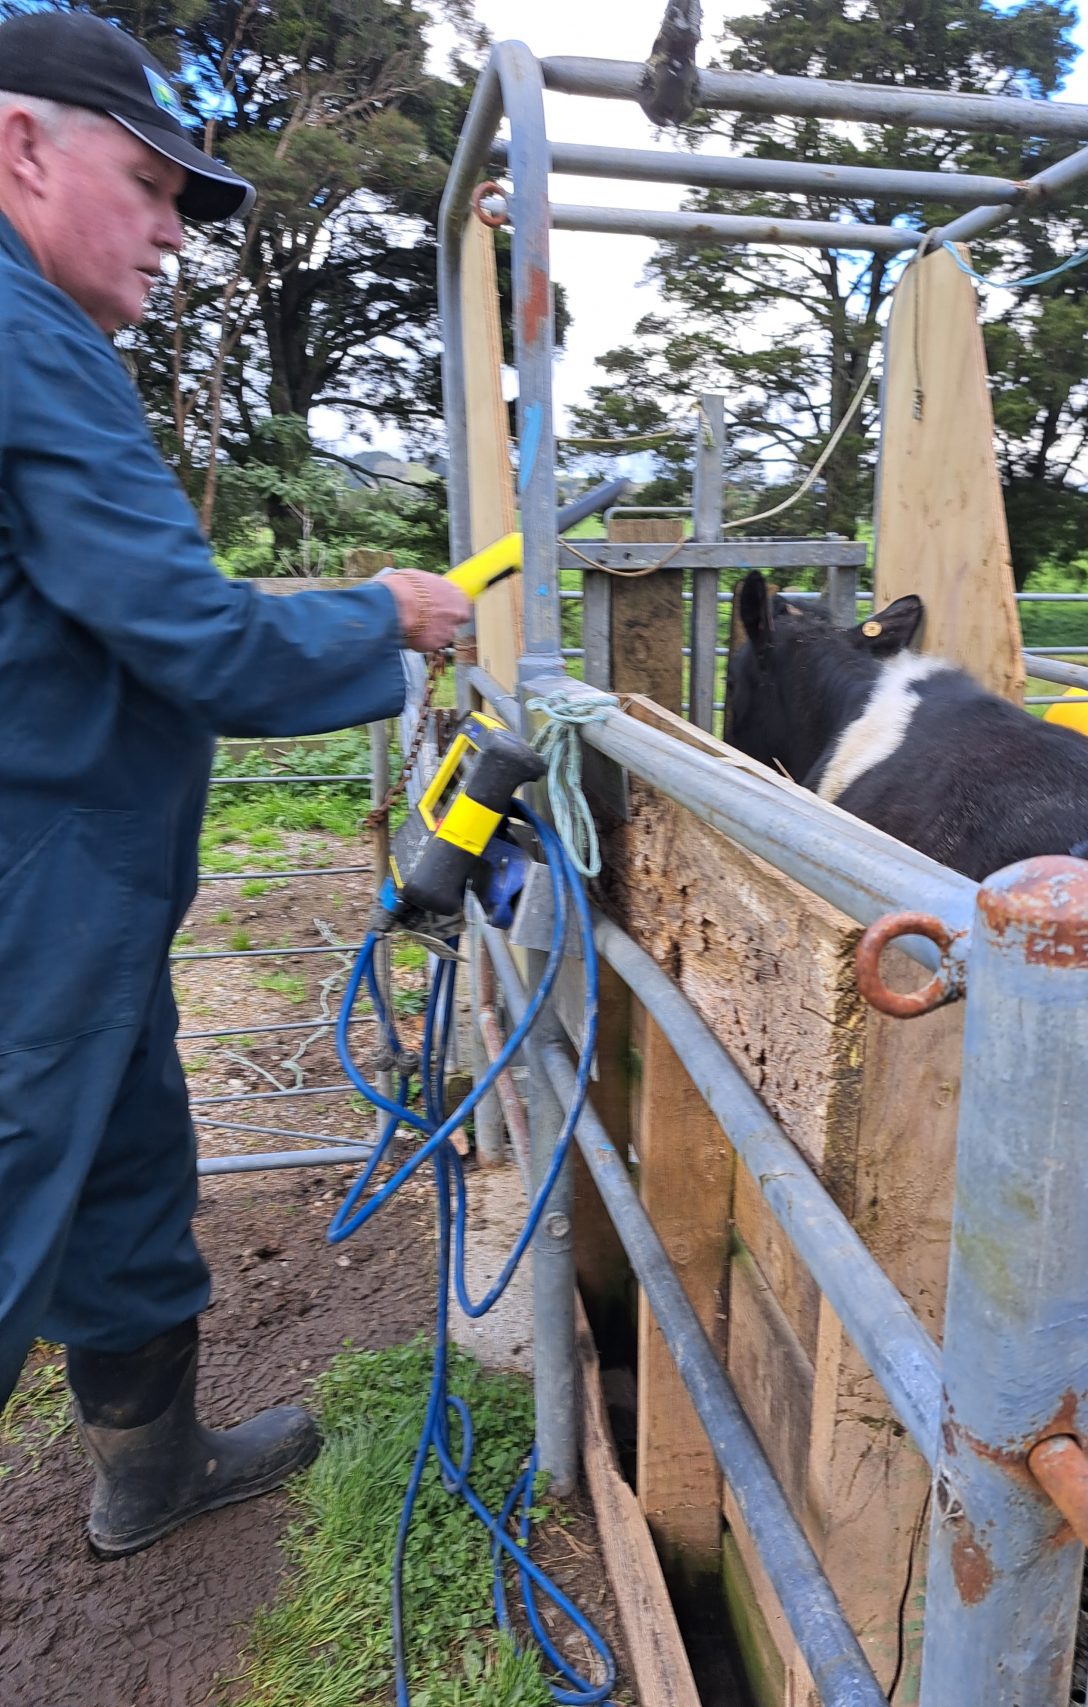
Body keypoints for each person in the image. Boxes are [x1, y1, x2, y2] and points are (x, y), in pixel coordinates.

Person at [0, 10, 471, 1555]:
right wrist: (389, 621)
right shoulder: (24, 340)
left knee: (126, 1151)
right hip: (32, 875)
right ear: (21, 148)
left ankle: (154, 1464)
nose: (168, 235)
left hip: (87, 869)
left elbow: (114, 603)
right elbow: (198, 638)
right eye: (146, 183)